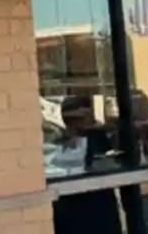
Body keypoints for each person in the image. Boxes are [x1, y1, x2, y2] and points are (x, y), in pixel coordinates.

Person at [51, 96, 123, 234]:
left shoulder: (97, 137)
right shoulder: (59, 143)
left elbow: (106, 162)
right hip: (70, 205)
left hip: (96, 205)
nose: (75, 122)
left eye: (79, 117)